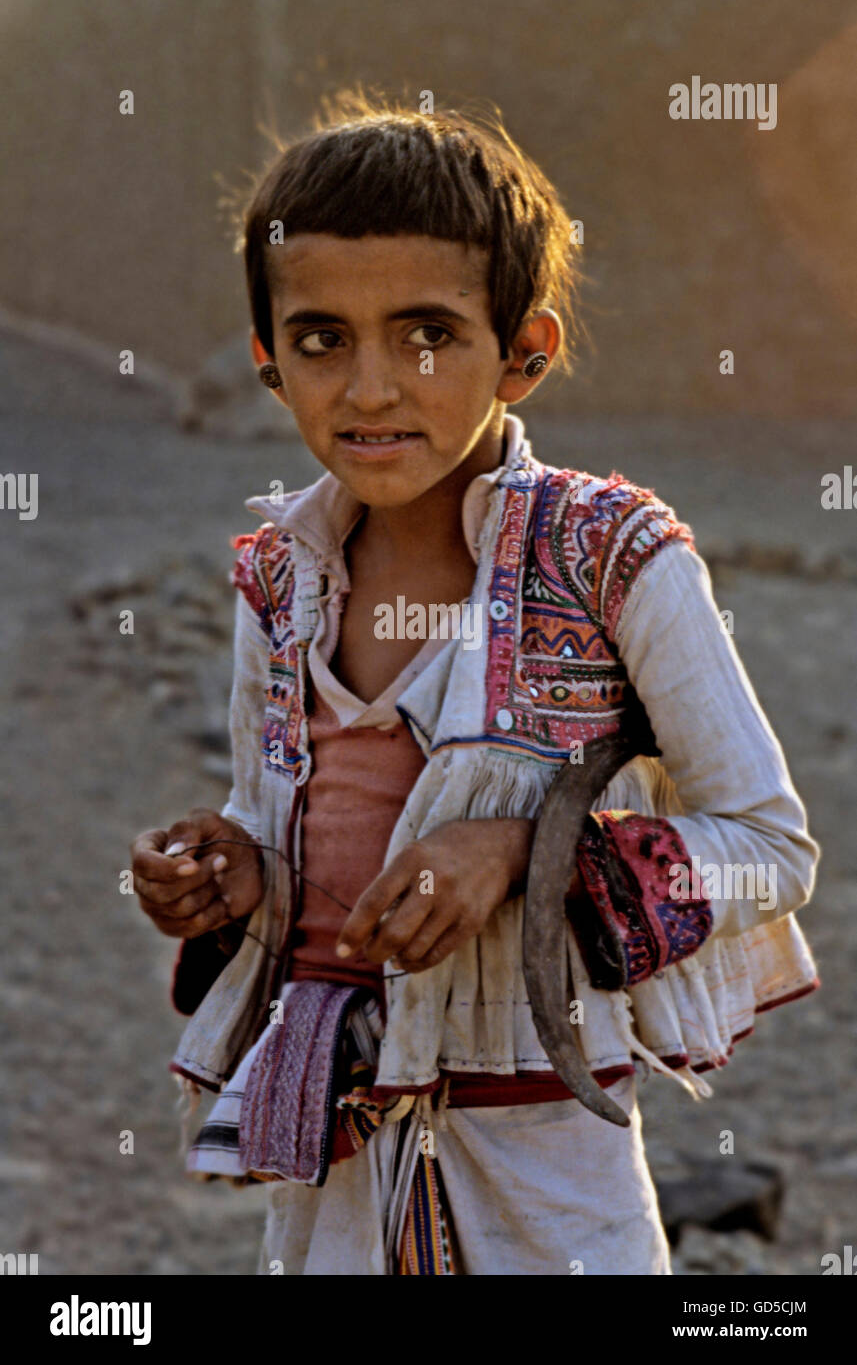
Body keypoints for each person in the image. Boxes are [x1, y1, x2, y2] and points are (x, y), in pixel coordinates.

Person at [130, 90, 820, 1276]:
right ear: (266, 360)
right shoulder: (276, 580)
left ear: (524, 353)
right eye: (320, 340)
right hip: (331, 1136)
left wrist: (521, 850)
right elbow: (277, 825)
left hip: (543, 1149)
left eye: (428, 333)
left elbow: (767, 845)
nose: (370, 388)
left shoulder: (613, 558)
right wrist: (231, 875)